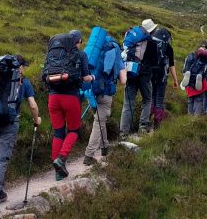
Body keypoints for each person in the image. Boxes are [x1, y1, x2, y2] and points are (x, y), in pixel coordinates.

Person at [0, 56, 41, 216]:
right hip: (10, 122)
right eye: (23, 66)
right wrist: (37, 120)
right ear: (19, 67)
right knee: (1, 159)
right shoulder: (22, 82)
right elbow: (33, 105)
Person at [44, 30, 93, 181]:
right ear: (78, 42)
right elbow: (85, 77)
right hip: (70, 97)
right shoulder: (81, 54)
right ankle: (61, 159)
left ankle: (57, 170)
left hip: (53, 97)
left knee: (58, 132)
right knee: (73, 130)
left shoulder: (54, 53)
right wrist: (92, 77)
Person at [83, 28, 121, 166]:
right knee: (98, 122)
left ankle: (105, 147)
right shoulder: (114, 50)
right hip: (105, 91)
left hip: (90, 90)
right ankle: (89, 155)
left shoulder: (94, 51)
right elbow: (121, 78)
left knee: (100, 118)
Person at [119, 21, 154, 137]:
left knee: (128, 103)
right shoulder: (152, 43)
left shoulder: (132, 40)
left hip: (131, 73)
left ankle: (123, 132)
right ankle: (143, 127)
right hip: (145, 76)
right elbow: (156, 61)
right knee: (147, 100)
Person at [146, 20, 178, 128]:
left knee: (151, 98)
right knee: (159, 100)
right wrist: (175, 80)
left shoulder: (151, 42)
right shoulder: (168, 48)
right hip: (162, 76)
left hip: (151, 74)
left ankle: (146, 122)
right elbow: (172, 65)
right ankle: (157, 124)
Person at [182, 46, 207, 116]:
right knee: (199, 100)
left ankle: (190, 116)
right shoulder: (206, 59)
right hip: (201, 84)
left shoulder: (191, 56)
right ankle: (196, 118)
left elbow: (185, 69)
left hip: (189, 82)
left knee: (190, 100)